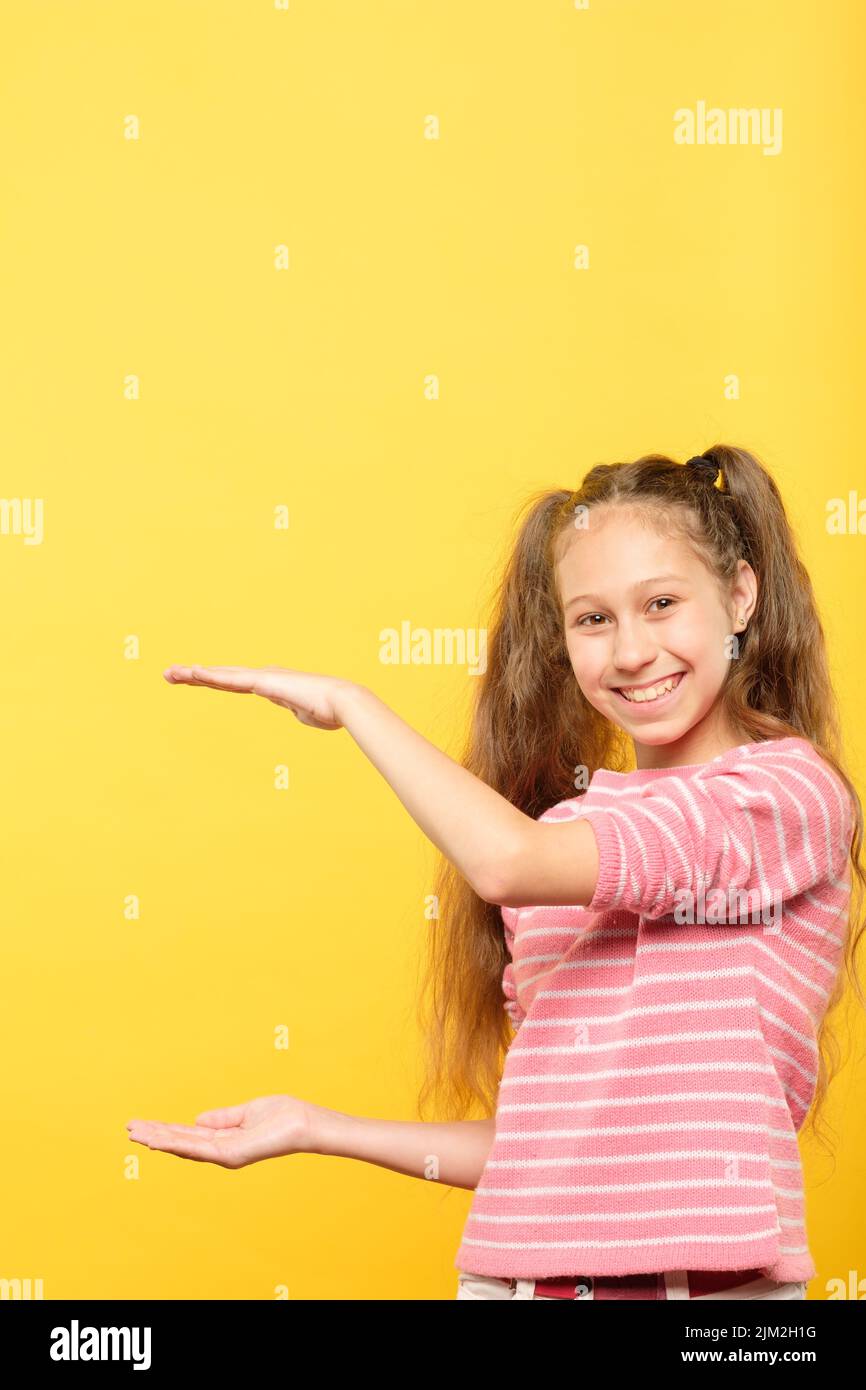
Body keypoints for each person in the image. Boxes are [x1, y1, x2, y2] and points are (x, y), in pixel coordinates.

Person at [126, 444, 864, 1301]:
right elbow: (544, 1146)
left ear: (740, 595)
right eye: (592, 619)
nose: (631, 651)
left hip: (711, 1300)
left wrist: (354, 704)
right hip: (512, 1286)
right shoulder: (564, 841)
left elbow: (505, 862)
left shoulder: (784, 796)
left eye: (661, 604)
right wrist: (318, 1128)